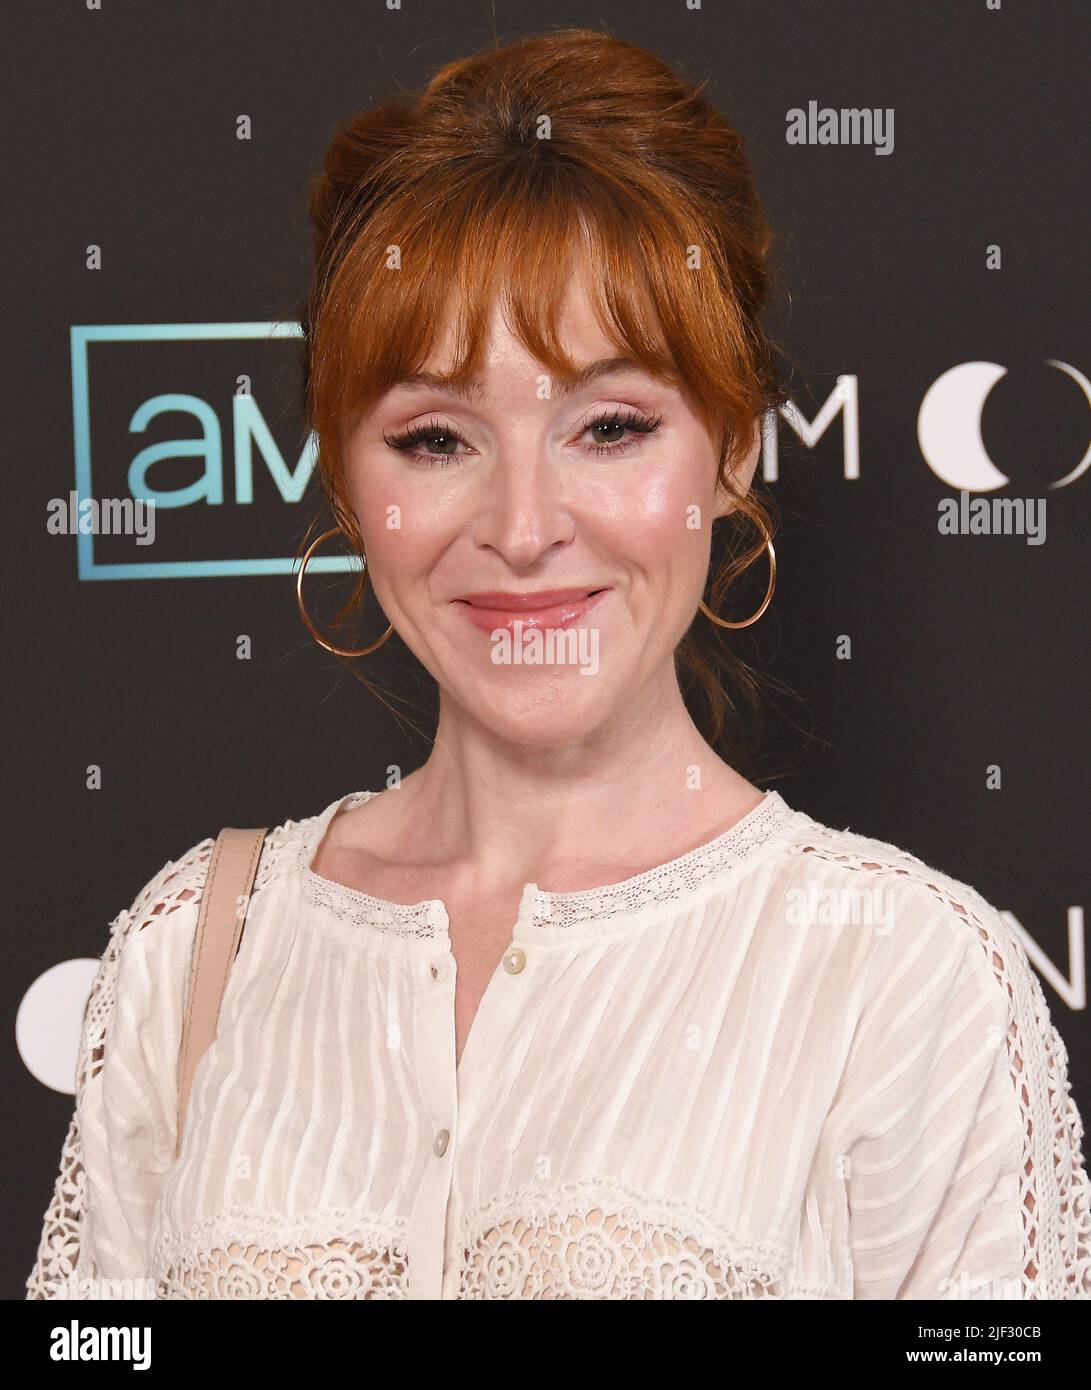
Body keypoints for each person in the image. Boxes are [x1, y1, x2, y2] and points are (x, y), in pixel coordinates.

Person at [27, 26, 1090, 1301]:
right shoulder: (197, 947)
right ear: (344, 476)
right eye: (434, 438)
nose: (523, 528)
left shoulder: (900, 975)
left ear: (734, 448)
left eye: (609, 426)